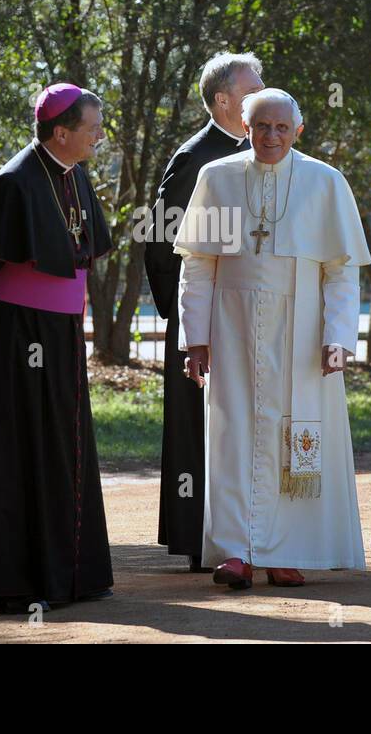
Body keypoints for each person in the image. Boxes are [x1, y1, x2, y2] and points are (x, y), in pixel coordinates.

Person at [174, 88, 371, 589]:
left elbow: (342, 272)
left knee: (297, 437)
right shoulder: (216, 179)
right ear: (246, 128)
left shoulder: (326, 183)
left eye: (282, 127)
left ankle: (290, 548)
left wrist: (338, 337)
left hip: (302, 328)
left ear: (298, 131)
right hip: (233, 326)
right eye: (262, 126)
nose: (272, 136)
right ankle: (237, 550)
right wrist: (196, 337)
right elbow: (199, 264)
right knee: (233, 433)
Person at [0, 83, 115, 615]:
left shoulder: (73, 173)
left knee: (64, 443)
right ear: (61, 132)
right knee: (16, 447)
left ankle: (72, 572)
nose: (100, 136)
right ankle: (17, 580)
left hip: (59, 333)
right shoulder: (12, 183)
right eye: (93, 128)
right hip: (13, 335)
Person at [143, 52, 261, 573]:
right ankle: (202, 540)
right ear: (223, 101)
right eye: (252, 90)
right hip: (207, 326)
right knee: (203, 432)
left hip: (244, 320)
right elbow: (162, 245)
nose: (261, 96)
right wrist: (193, 325)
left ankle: (243, 535)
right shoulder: (198, 160)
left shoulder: (256, 152)